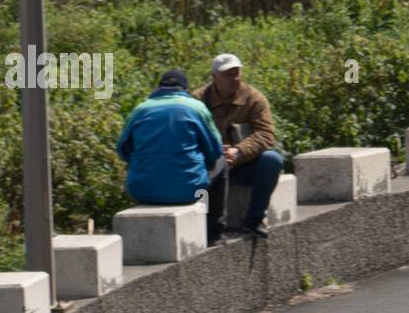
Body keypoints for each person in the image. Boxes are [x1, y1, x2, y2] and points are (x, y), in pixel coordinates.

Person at [195, 53, 284, 240]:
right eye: (228, 74)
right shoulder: (197, 102)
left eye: (237, 73)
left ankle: (254, 220)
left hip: (242, 164)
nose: (235, 78)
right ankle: (200, 224)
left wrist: (239, 151)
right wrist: (216, 153)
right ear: (214, 77)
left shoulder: (254, 99)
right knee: (192, 169)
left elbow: (266, 135)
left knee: (272, 160)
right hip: (211, 167)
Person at [116, 69, 222, 208]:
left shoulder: (140, 110)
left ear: (159, 88)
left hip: (142, 190)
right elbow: (215, 149)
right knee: (222, 161)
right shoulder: (196, 108)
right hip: (190, 190)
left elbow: (122, 149)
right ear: (185, 89)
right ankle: (214, 225)